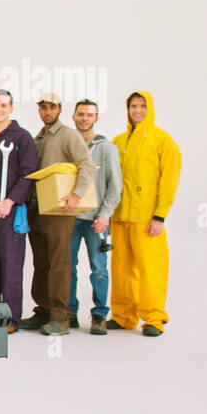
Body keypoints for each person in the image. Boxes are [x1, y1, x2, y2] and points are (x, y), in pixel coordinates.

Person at [19, 92, 96, 336]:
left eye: (52, 107)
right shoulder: (38, 138)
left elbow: (86, 164)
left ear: (60, 109)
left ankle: (60, 317)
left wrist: (77, 194)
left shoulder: (68, 136)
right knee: (41, 263)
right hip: (38, 209)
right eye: (43, 108)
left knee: (59, 264)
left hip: (60, 211)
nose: (47, 111)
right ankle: (42, 310)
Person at [109, 90, 181, 337]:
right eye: (133, 106)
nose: (137, 111)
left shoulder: (163, 141)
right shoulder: (117, 142)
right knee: (121, 269)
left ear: (149, 108)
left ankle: (154, 318)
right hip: (120, 215)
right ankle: (123, 316)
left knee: (151, 269)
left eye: (142, 106)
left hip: (146, 217)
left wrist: (160, 216)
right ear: (127, 109)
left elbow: (169, 180)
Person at [0, 89, 36, 331]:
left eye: (3, 105)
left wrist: (10, 201)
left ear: (12, 108)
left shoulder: (22, 137)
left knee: (10, 266)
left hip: (10, 213)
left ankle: (11, 319)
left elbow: (28, 174)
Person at [68, 99, 122, 335]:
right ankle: (69, 312)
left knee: (99, 268)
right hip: (70, 218)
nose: (84, 118)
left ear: (96, 118)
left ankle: (100, 314)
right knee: (67, 267)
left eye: (89, 115)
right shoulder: (68, 146)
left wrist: (105, 215)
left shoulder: (106, 148)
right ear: (74, 117)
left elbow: (115, 186)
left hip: (96, 221)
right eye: (81, 114)